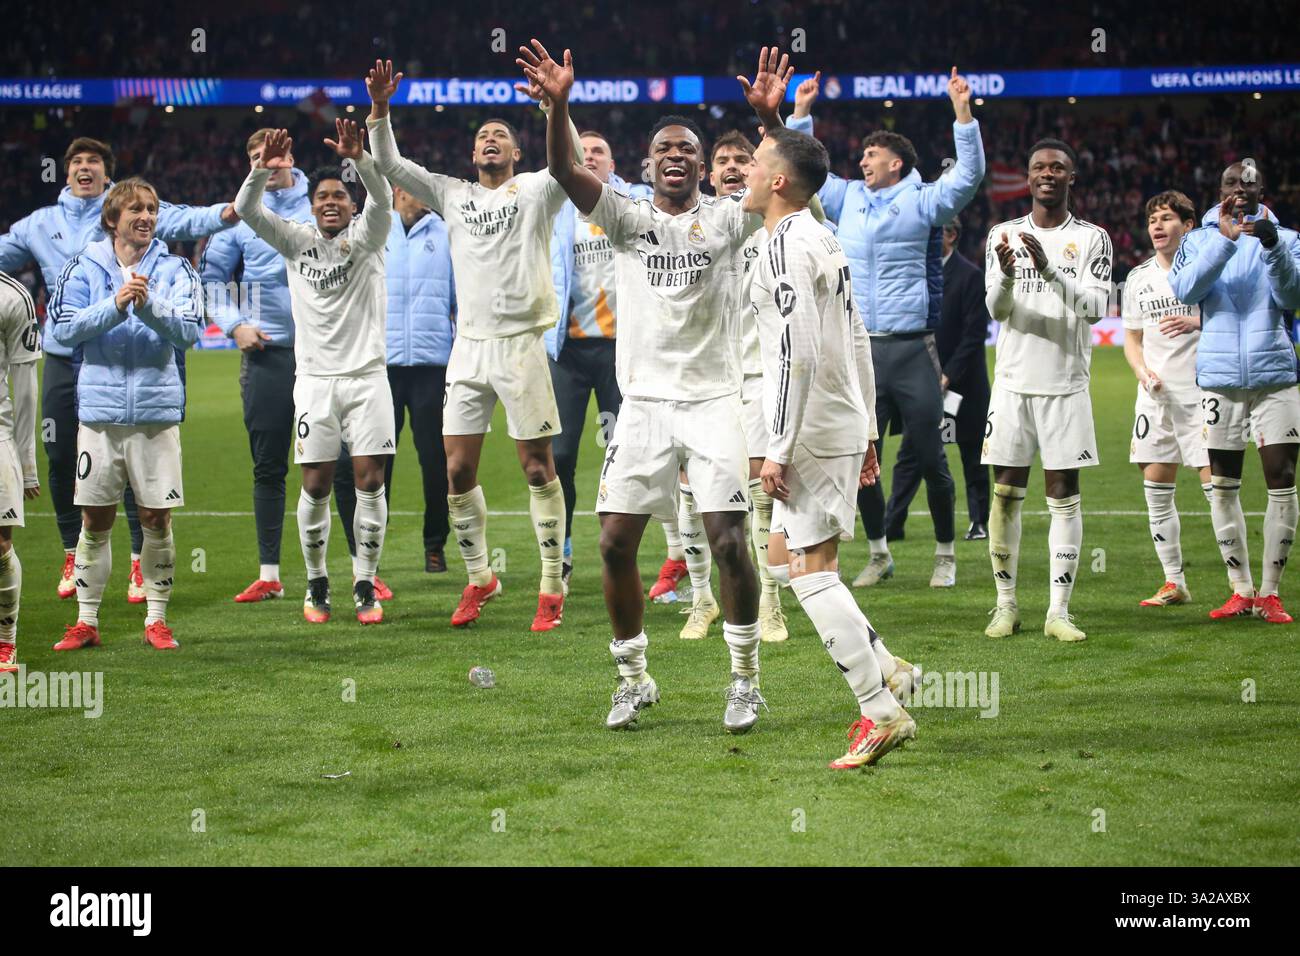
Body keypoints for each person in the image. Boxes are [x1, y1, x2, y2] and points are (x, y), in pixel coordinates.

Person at [520, 40, 795, 730]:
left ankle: (744, 680)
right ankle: (633, 677)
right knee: (615, 541)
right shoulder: (626, 217)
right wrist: (559, 106)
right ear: (648, 166)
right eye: (663, 149)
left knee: (729, 539)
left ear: (703, 166)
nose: (675, 156)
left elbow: (786, 179)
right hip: (641, 405)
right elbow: (561, 166)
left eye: (687, 150)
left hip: (710, 403)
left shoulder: (730, 219)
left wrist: (772, 119)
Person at [366, 59, 575, 632]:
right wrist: (381, 108)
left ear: (516, 155)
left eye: (501, 136)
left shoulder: (535, 190)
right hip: (469, 347)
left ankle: (552, 585)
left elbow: (571, 162)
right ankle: (480, 577)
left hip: (521, 346)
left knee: (537, 468)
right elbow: (388, 164)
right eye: (482, 136)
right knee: (456, 470)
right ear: (472, 154)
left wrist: (555, 106)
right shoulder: (451, 194)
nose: (490, 140)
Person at [0, 137, 235, 604]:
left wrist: (230, 211)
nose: (85, 168)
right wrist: (114, 307)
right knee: (63, 456)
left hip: (141, 368)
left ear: (108, 174)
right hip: (74, 359)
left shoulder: (146, 220)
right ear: (66, 172)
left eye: (95, 162)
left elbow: (192, 218)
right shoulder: (40, 224)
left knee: (139, 463)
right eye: (77, 162)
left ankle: (135, 561)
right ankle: (74, 553)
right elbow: (19, 275)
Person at [747, 126, 918, 768]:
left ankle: (880, 713)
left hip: (812, 429)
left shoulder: (787, 244)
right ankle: (889, 669)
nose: (745, 175)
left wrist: (779, 446)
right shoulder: (822, 236)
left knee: (812, 573)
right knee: (787, 560)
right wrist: (870, 428)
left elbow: (803, 350)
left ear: (779, 181)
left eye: (756, 164)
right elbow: (858, 337)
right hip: (838, 421)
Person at [795, 69, 985, 590]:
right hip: (860, 350)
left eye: (871, 156)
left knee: (928, 453)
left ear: (896, 162)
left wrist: (962, 114)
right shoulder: (847, 197)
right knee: (861, 456)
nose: (861, 162)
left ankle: (945, 553)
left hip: (912, 348)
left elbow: (967, 177)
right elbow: (805, 171)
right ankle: (879, 552)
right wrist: (802, 112)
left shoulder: (925, 201)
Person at [233, 123, 394, 626]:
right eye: (322, 196)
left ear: (351, 205)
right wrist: (262, 169)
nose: (331, 202)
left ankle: (365, 582)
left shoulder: (367, 237)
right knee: (317, 483)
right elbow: (245, 210)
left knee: (369, 480)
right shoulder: (294, 241)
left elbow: (384, 199)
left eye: (340, 196)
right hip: (315, 381)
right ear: (310, 204)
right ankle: (317, 581)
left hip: (367, 377)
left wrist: (362, 159)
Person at [48, 178, 204, 651]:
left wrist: (149, 304)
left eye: (153, 209)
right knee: (94, 520)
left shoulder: (176, 268)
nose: (147, 217)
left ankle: (156, 619)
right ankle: (86, 621)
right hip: (99, 416)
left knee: (157, 518)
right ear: (113, 218)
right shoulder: (82, 266)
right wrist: (115, 306)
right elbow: (64, 327)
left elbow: (191, 330)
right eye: (136, 208)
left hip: (156, 415)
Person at [983, 138, 1112, 643]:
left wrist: (1049, 270)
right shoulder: (1003, 233)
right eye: (1039, 167)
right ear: (1029, 175)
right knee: (1005, 497)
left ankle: (1058, 610)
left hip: (1065, 385)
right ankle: (1005, 606)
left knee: (1063, 496)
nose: (1048, 174)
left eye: (1058, 167)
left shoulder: (1093, 238)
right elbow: (995, 310)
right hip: (1013, 385)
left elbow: (1097, 308)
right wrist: (1012, 276)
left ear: (1071, 178)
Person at [1169, 161, 1300, 623]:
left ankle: (1270, 592)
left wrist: (1270, 244)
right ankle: (1240, 589)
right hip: (1220, 379)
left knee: (1281, 481)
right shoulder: (1198, 240)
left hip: (1275, 376)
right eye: (1230, 182)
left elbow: (1292, 296)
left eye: (1248, 183)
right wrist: (1225, 242)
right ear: (1219, 188)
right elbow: (1185, 288)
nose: (1239, 189)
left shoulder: (1287, 239)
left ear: (1262, 189)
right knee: (1223, 487)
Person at [334, 184, 455, 578]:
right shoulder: (374, 231)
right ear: (400, 192)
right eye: (419, 188)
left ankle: (435, 545)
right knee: (375, 461)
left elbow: (460, 299)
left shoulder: (448, 231)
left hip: (432, 364)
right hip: (379, 365)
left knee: (435, 461)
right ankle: (371, 550)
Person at [548, 131, 646, 595]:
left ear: (613, 164)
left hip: (619, 351)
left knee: (622, 456)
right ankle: (561, 554)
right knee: (560, 456)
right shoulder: (555, 209)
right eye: (581, 153)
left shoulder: (634, 201)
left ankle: (622, 552)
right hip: (566, 352)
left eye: (599, 153)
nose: (589, 158)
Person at [1121, 190, 1212, 606]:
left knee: (1219, 491)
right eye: (1152, 219)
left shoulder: (1207, 272)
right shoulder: (1138, 278)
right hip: (1156, 398)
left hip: (1201, 394)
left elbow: (1227, 323)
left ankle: (1241, 585)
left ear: (1188, 226)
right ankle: (1174, 582)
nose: (1156, 226)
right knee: (1156, 488)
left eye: (1166, 218)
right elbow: (1133, 340)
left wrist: (1196, 322)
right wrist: (1143, 374)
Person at [883, 217, 992, 544]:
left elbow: (975, 335)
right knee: (912, 455)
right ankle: (893, 524)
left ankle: (978, 521)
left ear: (952, 235)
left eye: (934, 233)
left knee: (972, 453)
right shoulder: (918, 275)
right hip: (922, 382)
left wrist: (947, 374)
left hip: (964, 386)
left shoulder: (971, 277)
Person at [0, 273, 41, 673]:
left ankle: (4, 642)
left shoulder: (11, 296)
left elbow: (26, 387)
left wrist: (26, 463)